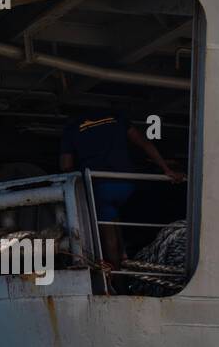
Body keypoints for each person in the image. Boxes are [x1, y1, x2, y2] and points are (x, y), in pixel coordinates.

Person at [59, 105, 183, 270]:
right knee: (116, 222)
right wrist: (167, 170)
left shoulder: (72, 128)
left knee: (108, 238)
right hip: (127, 183)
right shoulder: (116, 116)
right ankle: (124, 257)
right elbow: (144, 144)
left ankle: (117, 279)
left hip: (100, 185)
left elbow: (66, 166)